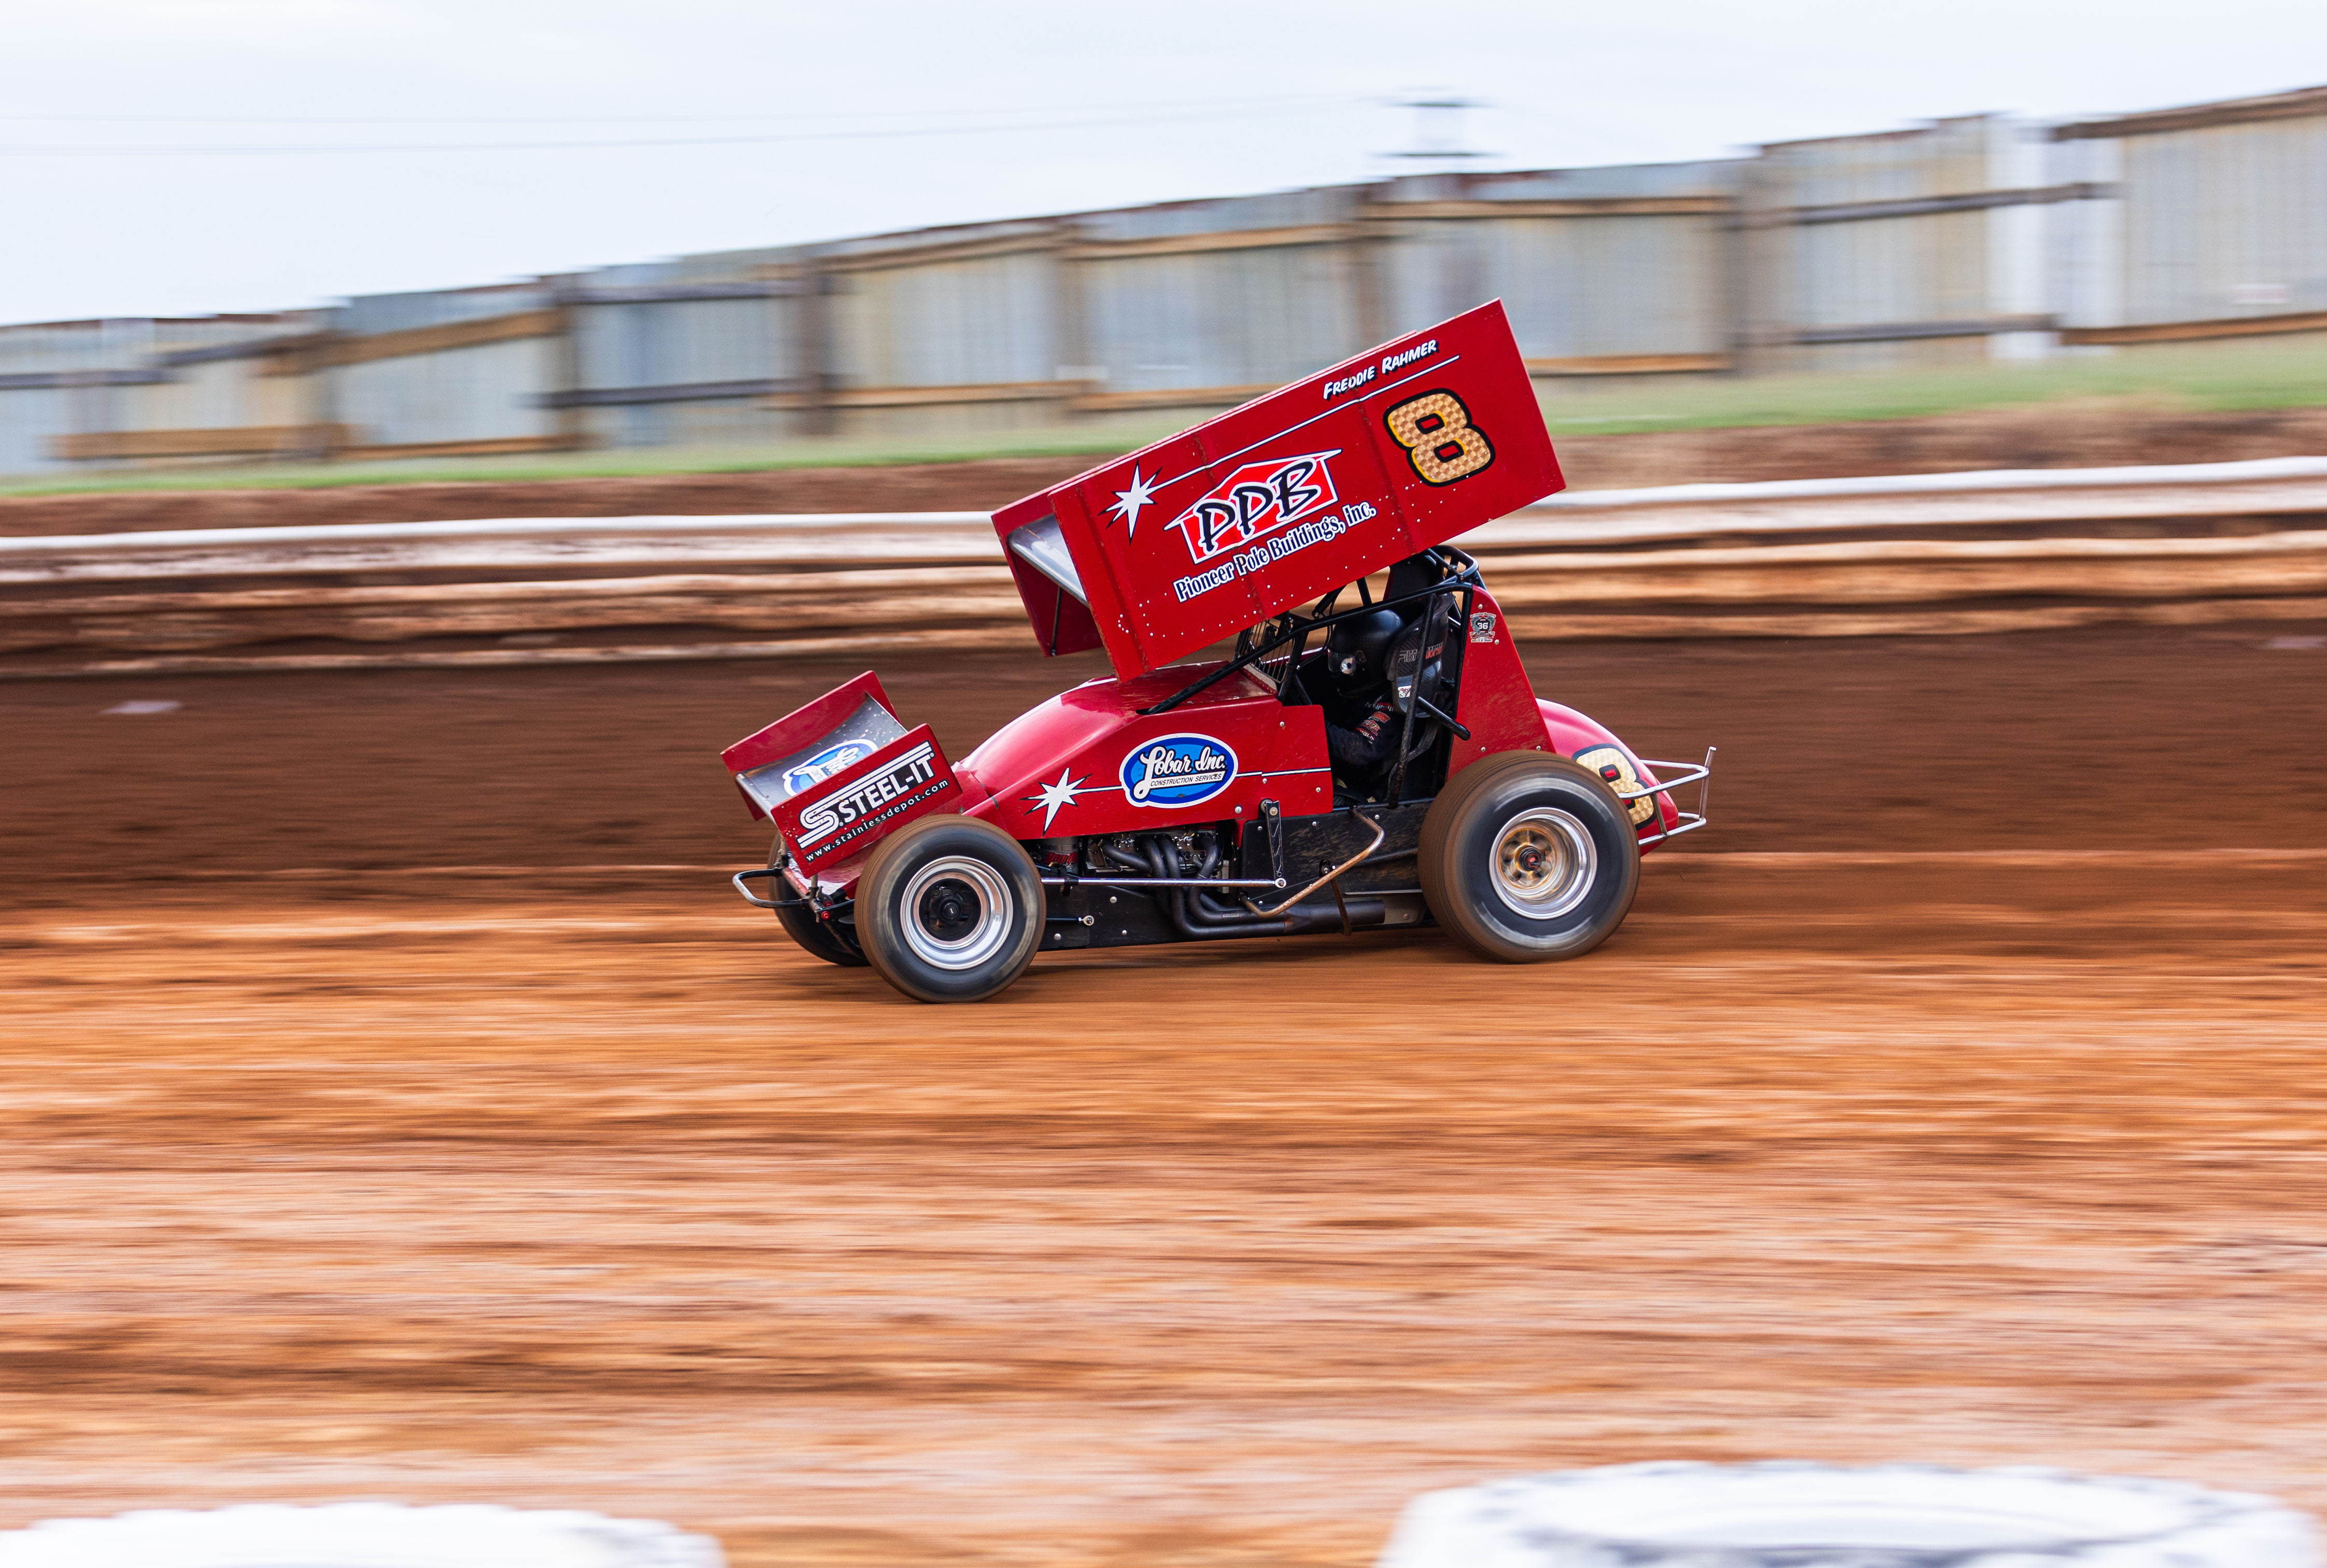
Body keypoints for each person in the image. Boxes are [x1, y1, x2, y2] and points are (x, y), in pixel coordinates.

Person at [1320, 607, 1431, 796]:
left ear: (1364, 661)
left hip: (1371, 798)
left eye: (1345, 664)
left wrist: (1311, 728)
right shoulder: (1362, 691)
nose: (1336, 670)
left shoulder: (1393, 702)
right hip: (1352, 779)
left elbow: (1360, 750)